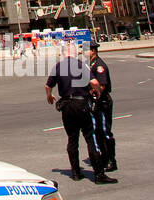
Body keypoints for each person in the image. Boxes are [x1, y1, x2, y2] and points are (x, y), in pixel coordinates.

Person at [45, 41, 114, 183]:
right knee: (90, 138)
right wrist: (99, 92)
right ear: (74, 53)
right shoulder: (80, 65)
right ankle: (99, 174)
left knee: (72, 139)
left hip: (66, 106)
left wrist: (49, 95)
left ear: (63, 54)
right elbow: (95, 83)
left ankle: (75, 172)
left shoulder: (58, 67)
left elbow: (48, 85)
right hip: (81, 103)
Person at [88, 41, 116, 171]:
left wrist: (92, 93)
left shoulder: (99, 65)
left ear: (93, 50)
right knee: (98, 131)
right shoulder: (92, 64)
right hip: (96, 101)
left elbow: (102, 86)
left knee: (105, 131)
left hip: (102, 101)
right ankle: (104, 158)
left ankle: (111, 160)